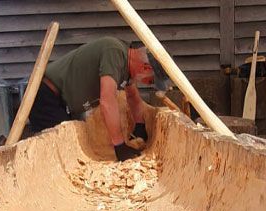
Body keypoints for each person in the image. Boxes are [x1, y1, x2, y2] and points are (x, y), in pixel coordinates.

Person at [28, 37, 171, 162]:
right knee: (58, 154)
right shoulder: (114, 52)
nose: (148, 83)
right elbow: (107, 101)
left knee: (67, 152)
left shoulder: (126, 66)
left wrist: (140, 127)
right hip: (47, 96)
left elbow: (133, 97)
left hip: (61, 103)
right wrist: (119, 145)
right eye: (151, 80)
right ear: (145, 67)